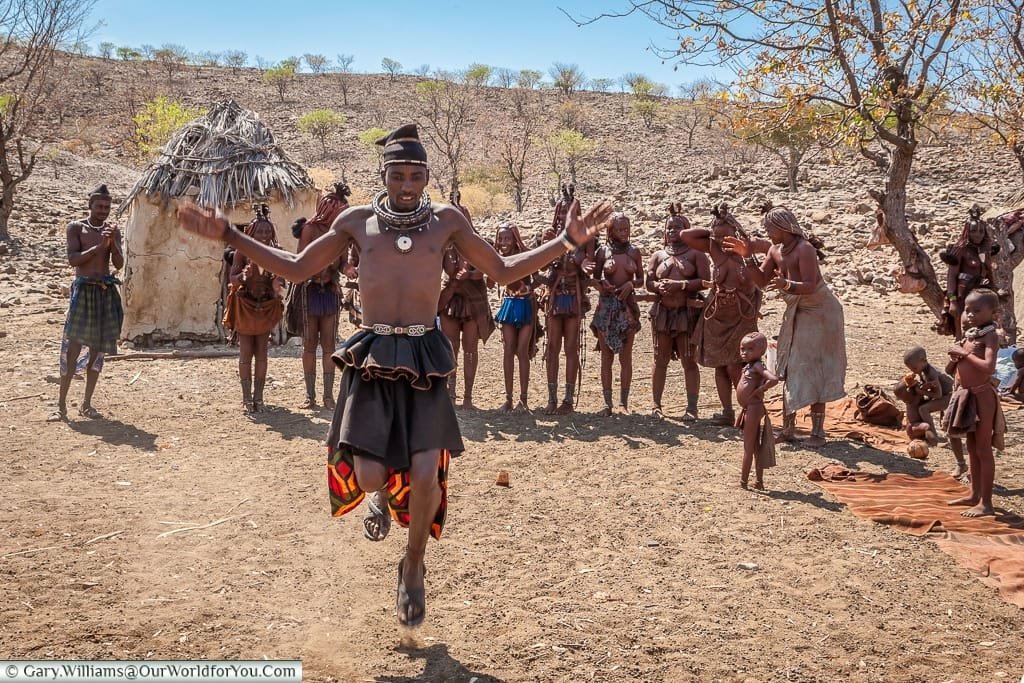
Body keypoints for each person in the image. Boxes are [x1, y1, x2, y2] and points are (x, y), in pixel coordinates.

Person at [176, 123, 613, 628]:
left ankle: (413, 565)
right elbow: (296, 268)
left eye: (415, 175)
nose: (406, 184)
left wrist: (566, 241)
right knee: (370, 476)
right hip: (373, 352)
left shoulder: (447, 221)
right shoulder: (356, 222)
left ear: (427, 176)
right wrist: (230, 235)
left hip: (425, 353)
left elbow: (505, 271)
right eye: (397, 175)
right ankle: (381, 497)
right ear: (382, 176)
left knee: (427, 471)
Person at [723, 204, 847, 447]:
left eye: (770, 229)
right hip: (797, 310)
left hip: (821, 312)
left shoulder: (805, 249)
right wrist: (746, 256)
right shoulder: (775, 251)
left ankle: (818, 433)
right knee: (787, 363)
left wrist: (786, 284)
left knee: (814, 365)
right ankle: (788, 429)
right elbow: (760, 281)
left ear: (782, 227)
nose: (767, 234)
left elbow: (810, 284)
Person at [678, 203, 765, 425]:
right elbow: (685, 235)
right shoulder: (715, 250)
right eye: (717, 238)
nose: (722, 242)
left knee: (736, 366)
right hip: (718, 318)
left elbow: (769, 250)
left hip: (741, 318)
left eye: (725, 238)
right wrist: (714, 229)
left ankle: (747, 409)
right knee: (719, 365)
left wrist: (743, 238)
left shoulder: (746, 252)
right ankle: (727, 411)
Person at [50, 185, 124, 422]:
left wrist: (112, 244)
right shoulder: (76, 227)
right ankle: (61, 405)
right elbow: (73, 260)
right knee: (73, 348)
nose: (103, 211)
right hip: (83, 292)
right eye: (99, 206)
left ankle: (86, 404)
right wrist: (98, 247)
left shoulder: (113, 231)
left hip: (104, 291)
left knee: (97, 350)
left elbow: (119, 264)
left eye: (107, 207)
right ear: (90, 205)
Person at [288, 183, 351, 409]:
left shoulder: (342, 234)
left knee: (329, 345)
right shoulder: (310, 230)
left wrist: (347, 269)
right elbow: (301, 259)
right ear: (330, 210)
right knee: (309, 344)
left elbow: (343, 261)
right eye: (340, 212)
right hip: (310, 291)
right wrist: (316, 271)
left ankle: (328, 396)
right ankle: (310, 396)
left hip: (330, 291)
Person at [942, 288, 1005, 517]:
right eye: (968, 310)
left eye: (977, 310)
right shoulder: (972, 334)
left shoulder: (991, 336)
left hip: (981, 397)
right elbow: (957, 367)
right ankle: (974, 494)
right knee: (971, 447)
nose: (970, 315)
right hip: (966, 395)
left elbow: (988, 368)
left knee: (983, 449)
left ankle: (986, 503)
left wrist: (965, 355)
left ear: (994, 312)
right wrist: (956, 356)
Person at [645, 204, 710, 420]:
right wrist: (658, 287)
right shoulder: (658, 254)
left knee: (688, 359)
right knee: (660, 358)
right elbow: (648, 281)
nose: (672, 231)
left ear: (686, 230)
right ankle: (656, 405)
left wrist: (681, 285)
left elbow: (705, 282)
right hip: (663, 312)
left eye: (678, 228)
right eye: (669, 228)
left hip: (686, 313)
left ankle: (692, 409)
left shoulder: (696, 255)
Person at [223, 205, 286, 414]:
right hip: (245, 307)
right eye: (260, 231)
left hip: (265, 307)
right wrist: (244, 277)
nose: (264, 235)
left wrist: (277, 283)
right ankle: (246, 399)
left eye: (267, 231)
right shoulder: (242, 252)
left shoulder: (276, 253)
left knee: (262, 354)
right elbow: (232, 279)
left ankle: (259, 398)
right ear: (252, 232)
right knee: (245, 353)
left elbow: (282, 279)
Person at [438, 192, 495, 410]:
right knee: (450, 347)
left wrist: (470, 274)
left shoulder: (479, 243)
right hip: (451, 300)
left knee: (470, 349)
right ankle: (450, 394)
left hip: (473, 303)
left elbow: (485, 270)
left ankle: (468, 398)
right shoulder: (443, 246)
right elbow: (442, 270)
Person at [537, 202, 593, 415]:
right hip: (554, 296)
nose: (564, 215)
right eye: (561, 211)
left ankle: (568, 401)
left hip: (573, 295)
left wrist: (578, 256)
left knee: (571, 348)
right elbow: (541, 266)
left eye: (569, 212)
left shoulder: (586, 236)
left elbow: (589, 265)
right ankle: (552, 399)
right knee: (552, 348)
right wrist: (548, 245)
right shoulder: (550, 234)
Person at [590, 212, 643, 415]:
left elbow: (641, 279)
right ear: (611, 231)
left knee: (626, 357)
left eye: (627, 229)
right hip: (606, 308)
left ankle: (623, 403)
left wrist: (630, 284)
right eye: (620, 229)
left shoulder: (634, 252)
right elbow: (594, 280)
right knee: (606, 357)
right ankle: (607, 403)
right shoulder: (602, 252)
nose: (624, 233)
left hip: (627, 308)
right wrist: (602, 284)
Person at [490, 222, 540, 412]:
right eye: (500, 239)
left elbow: (538, 275)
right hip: (509, 304)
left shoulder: (524, 256)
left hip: (526, 305)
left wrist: (529, 288)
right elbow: (489, 281)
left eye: (507, 238)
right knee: (508, 349)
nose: (503, 242)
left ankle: (523, 400)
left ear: (515, 239)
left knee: (522, 350)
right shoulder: (497, 257)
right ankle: (508, 399)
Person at [892, 346, 963, 475]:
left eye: (914, 368)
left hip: (950, 396)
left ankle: (934, 438)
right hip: (945, 394)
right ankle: (933, 434)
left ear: (924, 360)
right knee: (923, 407)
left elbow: (938, 395)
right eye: (910, 369)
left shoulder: (931, 373)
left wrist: (921, 391)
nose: (913, 371)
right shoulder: (923, 371)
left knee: (924, 409)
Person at [940, 206, 997, 339]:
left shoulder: (984, 249)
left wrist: (995, 289)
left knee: (983, 322)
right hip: (963, 293)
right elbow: (952, 276)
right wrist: (953, 301)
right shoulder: (960, 249)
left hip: (980, 291)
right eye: (973, 231)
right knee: (963, 323)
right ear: (967, 232)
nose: (978, 235)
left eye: (981, 231)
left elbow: (988, 271)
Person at [735, 332, 779, 490]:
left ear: (761, 350)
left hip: (754, 408)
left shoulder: (758, 366)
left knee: (749, 446)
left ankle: (744, 482)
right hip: (749, 408)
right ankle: (759, 482)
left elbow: (773, 379)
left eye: (749, 349)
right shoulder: (749, 366)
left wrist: (760, 389)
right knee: (754, 446)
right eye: (742, 349)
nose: (744, 353)